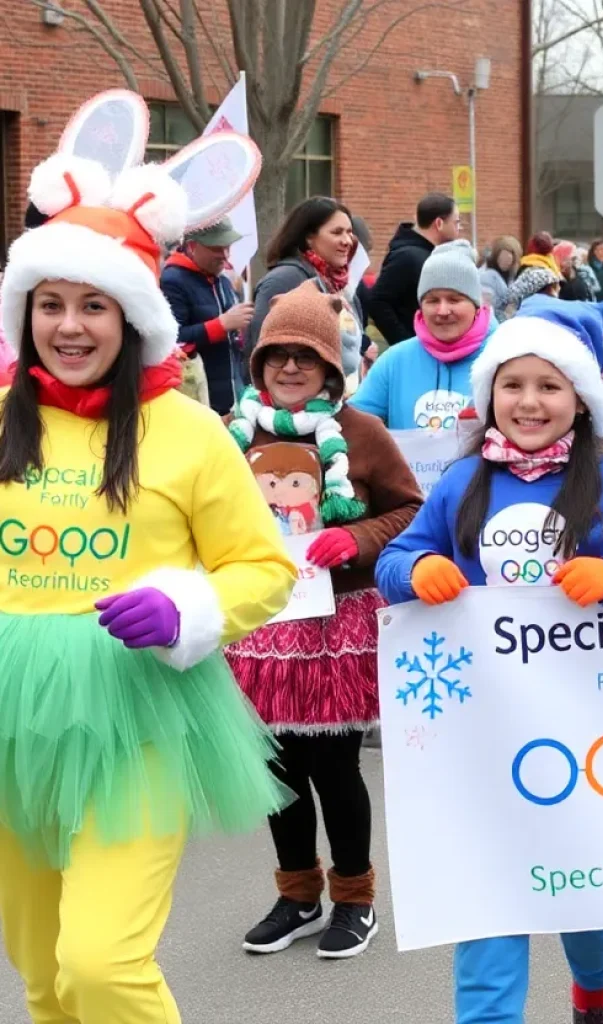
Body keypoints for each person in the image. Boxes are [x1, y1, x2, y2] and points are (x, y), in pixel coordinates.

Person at [0, 101, 296, 1024]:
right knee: (45, 979)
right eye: (51, 304)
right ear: (26, 312)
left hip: (140, 719)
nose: (71, 326)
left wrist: (184, 611)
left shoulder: (188, 431)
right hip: (13, 720)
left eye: (93, 305)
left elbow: (263, 568)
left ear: (130, 318)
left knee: (100, 966)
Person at [375, 297, 603, 1024]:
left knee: (589, 902)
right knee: (486, 902)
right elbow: (398, 558)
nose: (529, 403)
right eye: (512, 385)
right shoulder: (462, 482)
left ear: (580, 400)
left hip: (589, 736)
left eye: (549, 386)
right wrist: (415, 570)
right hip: (479, 734)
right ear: (489, 395)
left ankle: (598, 993)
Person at [224, 283, 421, 958]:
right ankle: (297, 894)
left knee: (336, 768)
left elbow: (408, 510)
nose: (287, 368)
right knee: (276, 767)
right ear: (258, 364)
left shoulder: (361, 432)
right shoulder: (234, 430)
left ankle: (355, 898)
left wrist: (356, 540)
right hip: (261, 623)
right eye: (275, 355)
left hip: (336, 624)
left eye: (304, 358)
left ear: (331, 368)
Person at [351, 240, 495, 427]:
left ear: (476, 305)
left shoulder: (502, 356)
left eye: (454, 299)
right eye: (432, 300)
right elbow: (354, 426)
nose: (442, 311)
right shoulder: (395, 361)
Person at [248, 197, 363, 381]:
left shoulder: (341, 287)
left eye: (349, 232)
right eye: (337, 232)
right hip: (298, 403)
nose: (347, 241)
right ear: (309, 238)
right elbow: (260, 349)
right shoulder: (285, 280)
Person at [160, 216, 251, 413]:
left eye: (228, 247)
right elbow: (172, 341)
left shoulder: (223, 281)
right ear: (192, 246)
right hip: (198, 400)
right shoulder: (171, 281)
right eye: (217, 248)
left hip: (232, 393)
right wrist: (221, 325)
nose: (225, 255)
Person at [365, 193, 459, 345]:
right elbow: (377, 301)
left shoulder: (426, 254)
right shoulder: (408, 257)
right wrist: (405, 342)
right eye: (456, 223)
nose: (458, 229)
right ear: (439, 224)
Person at [479, 235, 522, 312]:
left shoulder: (512, 275)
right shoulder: (486, 276)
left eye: (509, 260)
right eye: (503, 258)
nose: (506, 262)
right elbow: (486, 309)